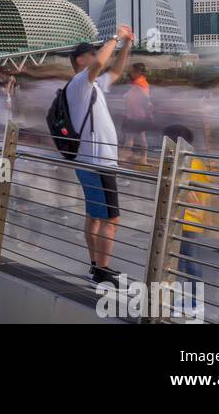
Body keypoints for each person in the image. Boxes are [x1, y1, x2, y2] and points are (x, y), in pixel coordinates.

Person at [66, 24, 134, 288]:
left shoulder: (91, 85)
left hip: (95, 161)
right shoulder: (79, 82)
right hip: (97, 163)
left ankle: (96, 267)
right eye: (92, 54)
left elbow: (115, 70)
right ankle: (102, 271)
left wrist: (126, 45)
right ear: (80, 60)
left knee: (94, 216)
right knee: (111, 219)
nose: (96, 57)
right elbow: (100, 65)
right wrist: (115, 37)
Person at [163, 123, 219, 323]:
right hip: (211, 229)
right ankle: (213, 308)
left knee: (192, 266)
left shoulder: (200, 164)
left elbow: (202, 192)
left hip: (197, 225)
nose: (211, 148)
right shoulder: (204, 164)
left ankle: (201, 305)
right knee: (203, 270)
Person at [121, 62, 152, 166]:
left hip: (135, 116)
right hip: (137, 115)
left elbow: (145, 99)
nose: (131, 72)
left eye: (132, 71)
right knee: (140, 138)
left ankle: (123, 157)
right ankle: (143, 159)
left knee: (129, 137)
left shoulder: (139, 84)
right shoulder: (141, 82)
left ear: (138, 72)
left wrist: (147, 112)